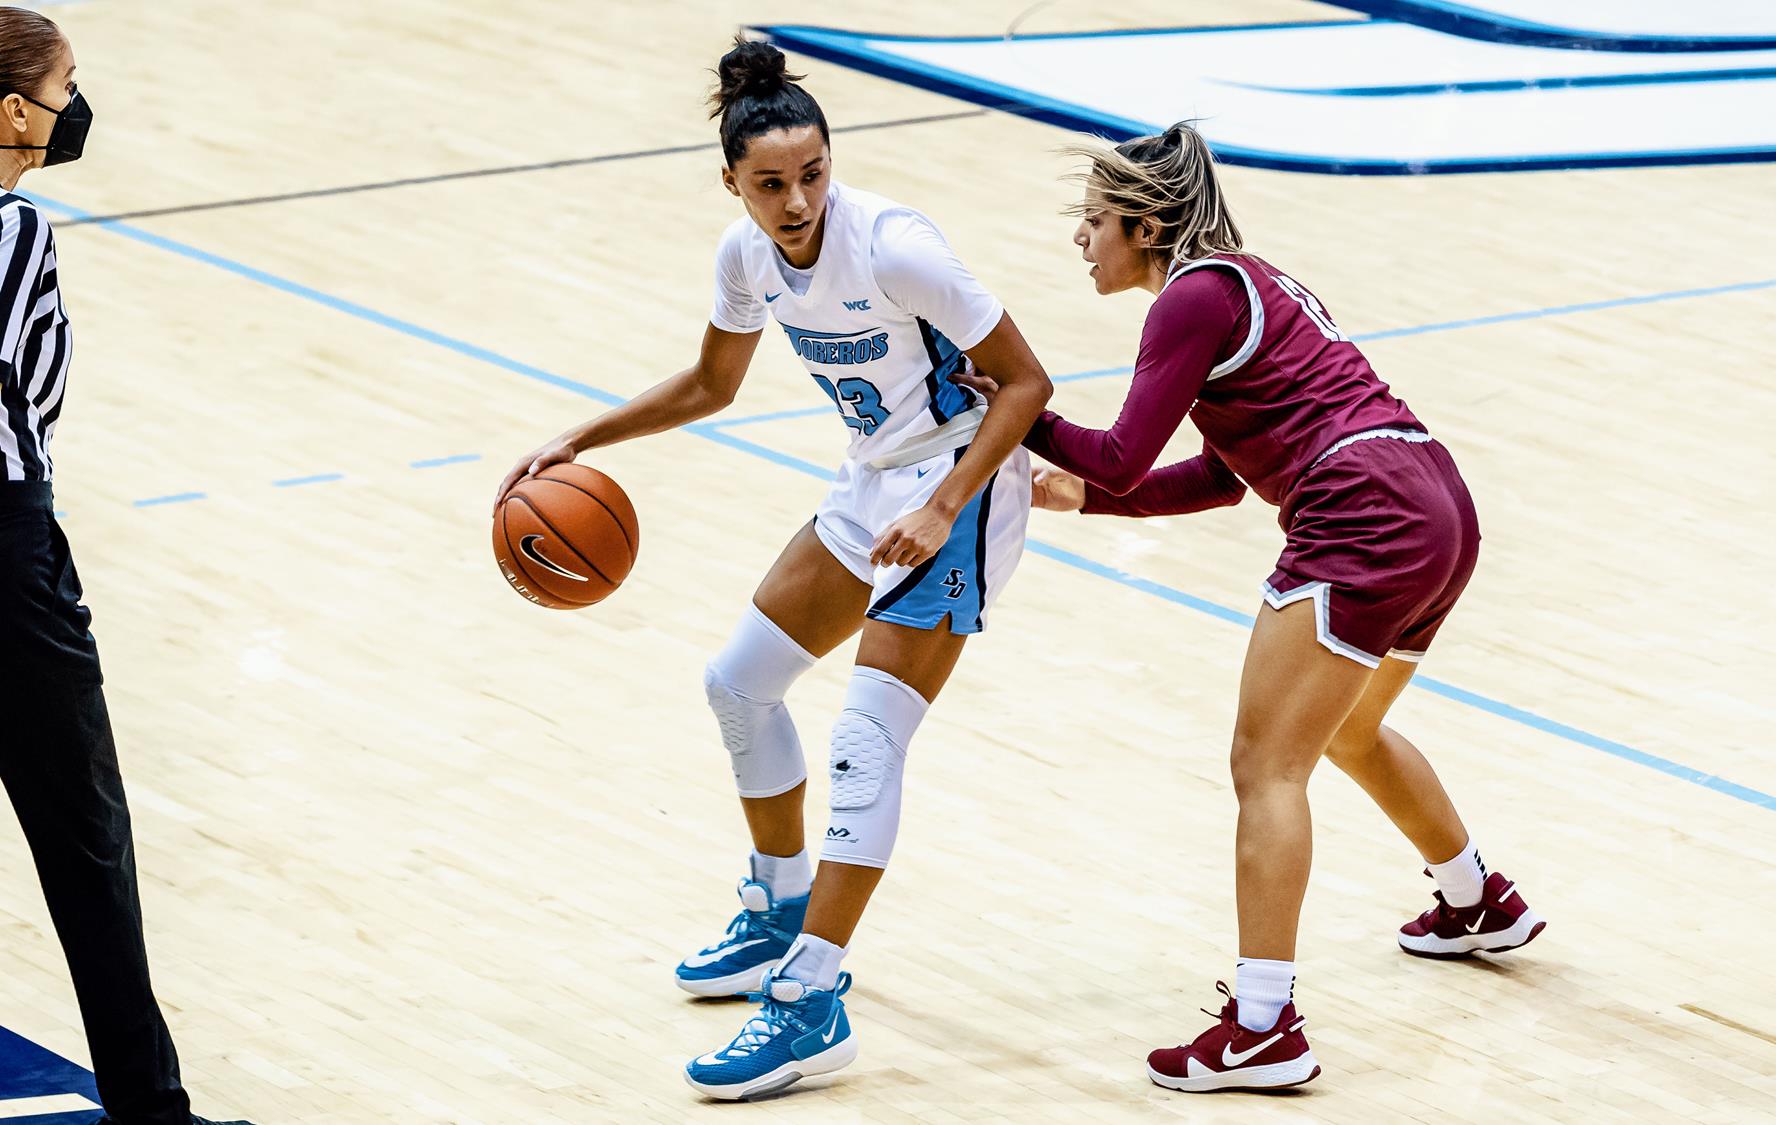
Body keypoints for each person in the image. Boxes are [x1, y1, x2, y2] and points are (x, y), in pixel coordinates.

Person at [496, 37, 1052, 1101]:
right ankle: (777, 906)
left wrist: (943, 508)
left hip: (959, 490)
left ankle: (809, 1000)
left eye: (811, 176)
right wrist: (583, 441)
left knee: (861, 741)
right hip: (870, 482)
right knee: (739, 685)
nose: (795, 201)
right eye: (770, 184)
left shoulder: (895, 248)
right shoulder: (745, 256)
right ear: (731, 184)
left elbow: (1025, 383)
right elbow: (712, 383)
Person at [967, 122, 1544, 1093]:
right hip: (1433, 501)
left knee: (1262, 765)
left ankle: (1263, 1026)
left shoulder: (1190, 298)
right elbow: (1220, 481)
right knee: (1349, 731)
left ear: (1146, 222)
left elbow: (1119, 454)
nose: (1081, 239)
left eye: (1093, 219)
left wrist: (1019, 410)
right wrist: (1081, 496)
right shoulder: (1246, 281)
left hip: (1358, 513)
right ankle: (1474, 897)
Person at [0, 9, 254, 1125]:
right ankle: (150, 1112)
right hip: (5, 554)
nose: (74, 107)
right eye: (65, 87)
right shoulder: (17, 232)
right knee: (84, 838)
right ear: (15, 112)